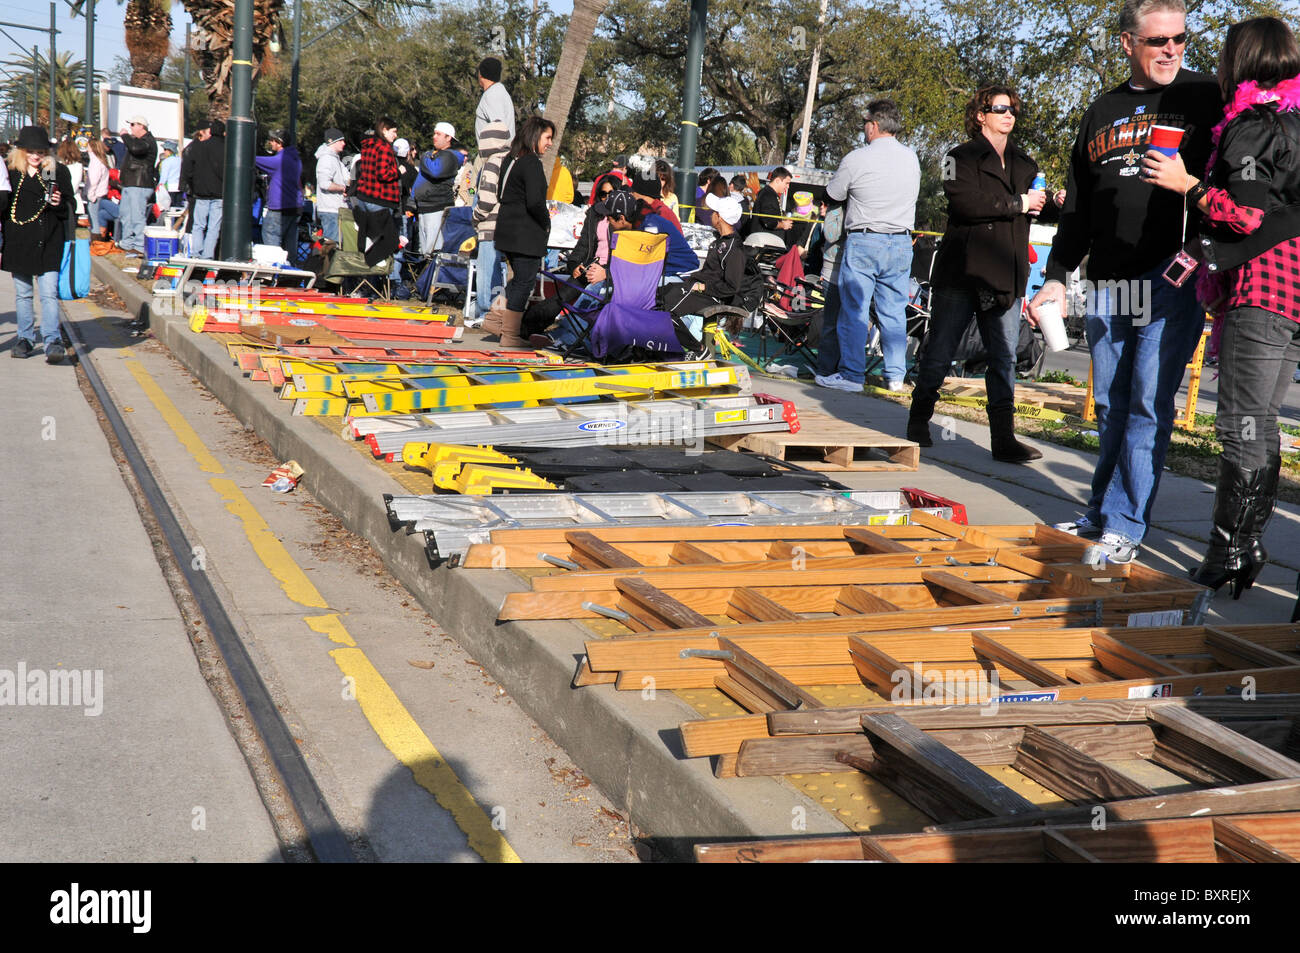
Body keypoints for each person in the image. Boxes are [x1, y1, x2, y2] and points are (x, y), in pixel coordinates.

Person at [1029, 0, 1223, 566]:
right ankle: (1100, 513)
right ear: (1127, 44)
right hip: (1113, 281)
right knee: (1113, 404)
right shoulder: (1101, 108)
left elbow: (1234, 189)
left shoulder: (1204, 97)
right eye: (1158, 40)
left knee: (1147, 403)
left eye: (1180, 38)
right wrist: (1057, 276)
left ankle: (1126, 524)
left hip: (1172, 275)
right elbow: (1080, 209)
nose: (1171, 49)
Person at [1144, 16, 1300, 595]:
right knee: (1261, 423)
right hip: (1292, 292)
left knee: (1239, 423)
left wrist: (1187, 184)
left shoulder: (1254, 127)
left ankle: (1230, 550)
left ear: (1244, 60)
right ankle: (1242, 544)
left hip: (1261, 289)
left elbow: (1245, 215)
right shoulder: (1294, 122)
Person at [907, 85, 1048, 464]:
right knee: (940, 351)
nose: (1009, 115)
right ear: (980, 114)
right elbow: (964, 203)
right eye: (1000, 108)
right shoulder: (956, 157)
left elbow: (1034, 211)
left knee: (1003, 357)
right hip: (962, 271)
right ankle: (919, 419)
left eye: (1013, 109)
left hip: (1005, 273)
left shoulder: (1026, 164)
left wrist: (1050, 205)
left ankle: (1003, 438)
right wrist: (1020, 203)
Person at [817, 99, 921, 392]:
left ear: (874, 125)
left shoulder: (857, 158)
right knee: (894, 312)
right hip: (901, 241)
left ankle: (851, 375)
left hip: (865, 239)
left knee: (854, 311)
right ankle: (895, 376)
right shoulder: (911, 158)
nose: (864, 129)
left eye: (865, 123)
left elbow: (834, 193)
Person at [2, 125, 75, 363]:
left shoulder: (54, 172)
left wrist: (59, 203)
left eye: (41, 151)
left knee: (48, 293)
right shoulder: (12, 172)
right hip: (19, 241)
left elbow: (70, 207)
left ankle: (52, 340)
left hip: (48, 241)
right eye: (31, 151)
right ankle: (25, 338)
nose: (36, 156)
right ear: (21, 151)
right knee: (23, 294)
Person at [487, 116, 557, 347]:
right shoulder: (531, 163)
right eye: (547, 138)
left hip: (507, 229)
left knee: (518, 280)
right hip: (524, 233)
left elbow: (501, 194)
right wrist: (546, 222)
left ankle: (495, 319)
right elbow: (536, 202)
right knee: (525, 282)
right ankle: (510, 335)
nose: (549, 143)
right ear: (535, 135)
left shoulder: (512, 159)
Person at [470, 121, 511, 323]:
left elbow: (486, 198)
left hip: (489, 226)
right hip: (506, 225)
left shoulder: (492, 162)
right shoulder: (511, 160)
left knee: (486, 273)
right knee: (499, 275)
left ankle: (486, 314)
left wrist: (475, 217)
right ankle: (498, 313)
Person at [412, 122, 464, 255]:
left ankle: (435, 275)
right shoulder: (435, 155)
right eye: (434, 133)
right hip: (425, 207)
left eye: (438, 134)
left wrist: (424, 157)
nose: (434, 137)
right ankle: (427, 274)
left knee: (435, 251)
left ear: (448, 138)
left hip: (436, 208)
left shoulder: (449, 156)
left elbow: (435, 171)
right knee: (425, 251)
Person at [255, 129, 304, 262]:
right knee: (290, 244)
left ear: (279, 142)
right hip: (295, 207)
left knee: (270, 236)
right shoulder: (296, 159)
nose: (270, 143)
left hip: (279, 208)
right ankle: (291, 272)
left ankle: (274, 270)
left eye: (272, 140)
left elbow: (253, 159)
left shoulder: (278, 161)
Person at [183, 120, 225, 259]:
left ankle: (196, 254)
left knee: (198, 225)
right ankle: (207, 256)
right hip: (219, 194)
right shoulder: (227, 149)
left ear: (211, 131)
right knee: (213, 228)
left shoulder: (199, 147)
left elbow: (188, 169)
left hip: (201, 192)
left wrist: (193, 185)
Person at [117, 114, 158, 255]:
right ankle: (127, 243)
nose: (130, 128)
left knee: (137, 216)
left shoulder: (147, 141)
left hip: (140, 184)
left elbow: (135, 148)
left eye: (133, 125)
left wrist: (125, 136)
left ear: (141, 126)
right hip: (130, 183)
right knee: (125, 215)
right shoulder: (138, 140)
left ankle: (140, 245)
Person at [314, 128, 348, 243]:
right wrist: (343, 188)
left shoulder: (336, 159)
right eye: (340, 141)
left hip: (336, 210)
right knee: (332, 247)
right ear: (331, 141)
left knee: (336, 247)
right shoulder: (326, 159)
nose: (344, 143)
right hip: (330, 210)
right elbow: (324, 183)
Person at [748, 166, 795, 244]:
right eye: (786, 183)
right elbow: (768, 221)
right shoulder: (768, 195)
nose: (788, 186)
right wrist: (783, 225)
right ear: (777, 180)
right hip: (763, 244)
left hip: (766, 242)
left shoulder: (770, 194)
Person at [475, 57, 517, 143]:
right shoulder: (498, 91)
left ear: (480, 74)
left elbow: (499, 128)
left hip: (496, 153)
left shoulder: (492, 94)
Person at [86, 137, 113, 240]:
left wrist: (90, 195)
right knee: (95, 220)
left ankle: (96, 242)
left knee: (94, 221)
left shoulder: (95, 162)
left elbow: (93, 181)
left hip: (95, 195)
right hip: (100, 194)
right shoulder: (100, 160)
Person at [58, 139, 86, 225]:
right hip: (59, 202)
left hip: (72, 203)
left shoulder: (78, 166)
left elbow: (74, 186)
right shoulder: (58, 165)